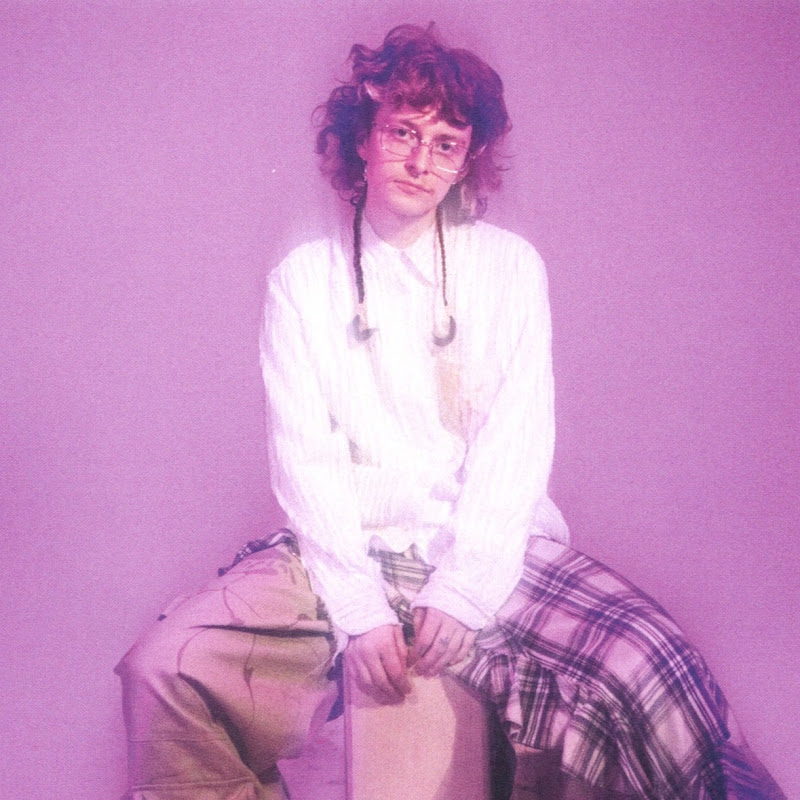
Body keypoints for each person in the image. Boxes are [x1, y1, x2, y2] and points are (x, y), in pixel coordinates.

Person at [116, 23, 786, 800]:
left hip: (482, 546)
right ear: (361, 139)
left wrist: (464, 592)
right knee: (166, 666)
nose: (420, 160)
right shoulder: (304, 279)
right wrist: (360, 608)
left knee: (651, 662)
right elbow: (306, 460)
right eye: (402, 132)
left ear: (469, 160)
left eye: (445, 144)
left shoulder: (507, 269)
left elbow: (514, 444)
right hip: (341, 553)